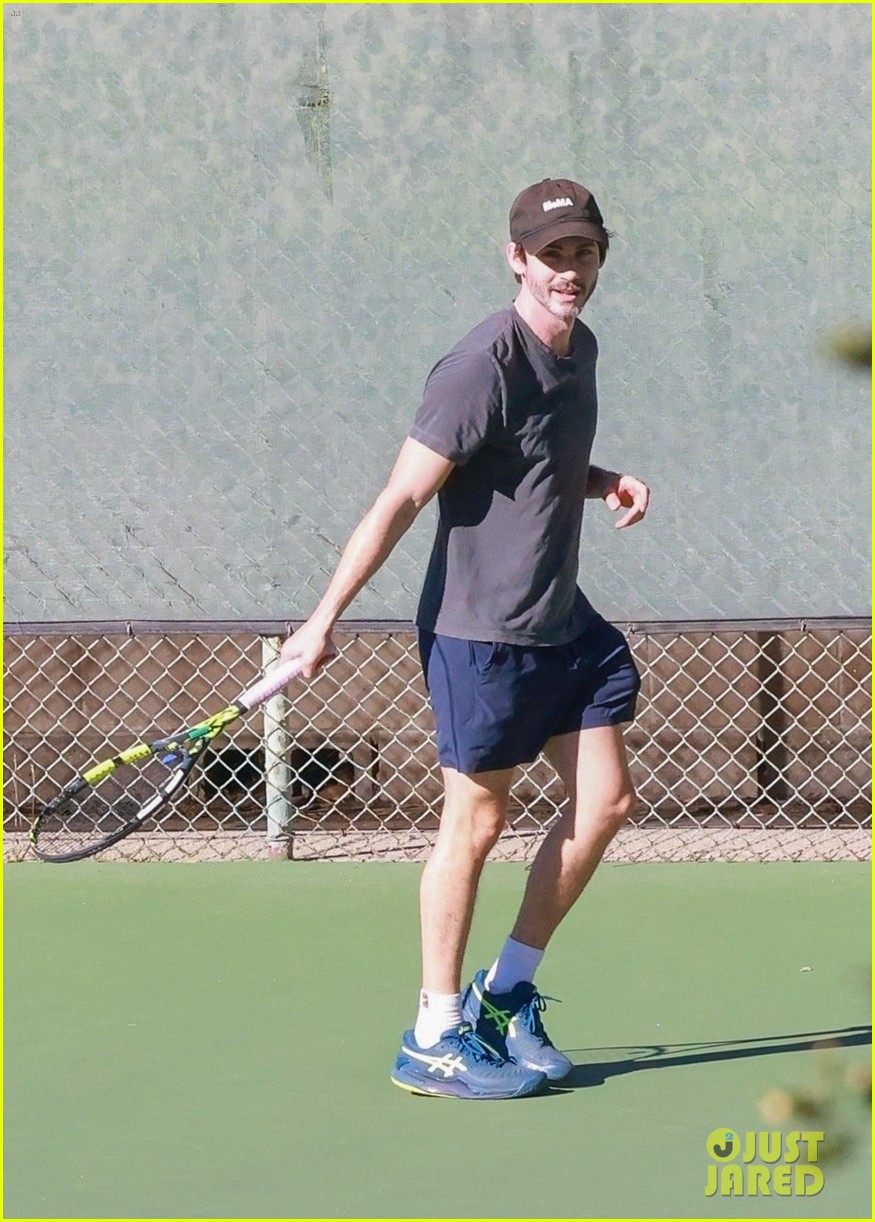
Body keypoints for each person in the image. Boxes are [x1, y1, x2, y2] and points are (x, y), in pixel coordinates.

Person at [280, 177, 650, 1099]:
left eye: (584, 252)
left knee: (603, 803)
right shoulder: (478, 364)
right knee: (476, 823)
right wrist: (321, 622)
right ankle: (432, 1031)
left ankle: (505, 993)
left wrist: (599, 479)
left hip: (562, 622)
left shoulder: (581, 348)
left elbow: (530, 455)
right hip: (481, 634)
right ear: (516, 258)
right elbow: (403, 495)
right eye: (551, 254)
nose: (569, 271)